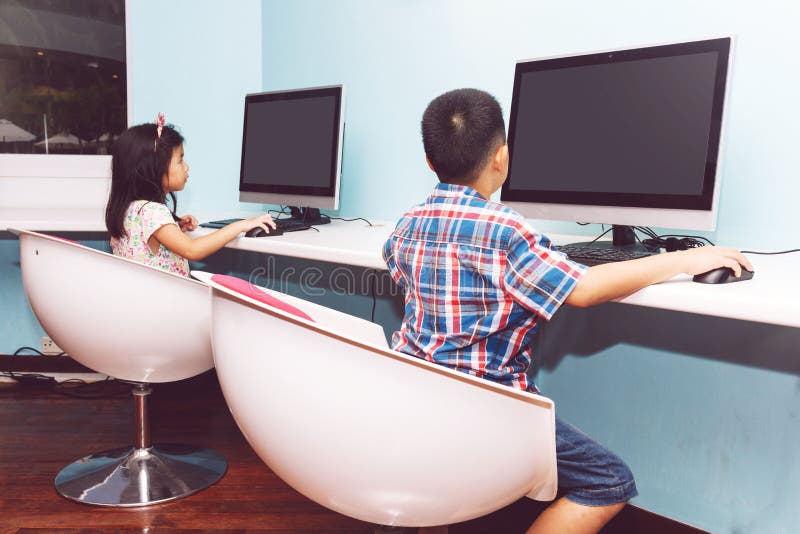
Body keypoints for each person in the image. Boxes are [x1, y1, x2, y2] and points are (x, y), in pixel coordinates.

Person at [382, 88, 752, 533]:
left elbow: (407, 275)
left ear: (430, 162)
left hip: (417, 397)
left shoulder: (407, 224)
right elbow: (584, 289)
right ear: (502, 156)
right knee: (607, 482)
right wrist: (682, 260)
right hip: (488, 406)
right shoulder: (507, 229)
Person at [105, 113, 276, 277]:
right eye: (180, 160)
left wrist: (176, 227)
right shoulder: (153, 212)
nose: (186, 167)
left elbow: (146, 245)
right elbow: (192, 250)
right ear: (154, 168)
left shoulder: (127, 210)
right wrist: (240, 226)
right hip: (169, 300)